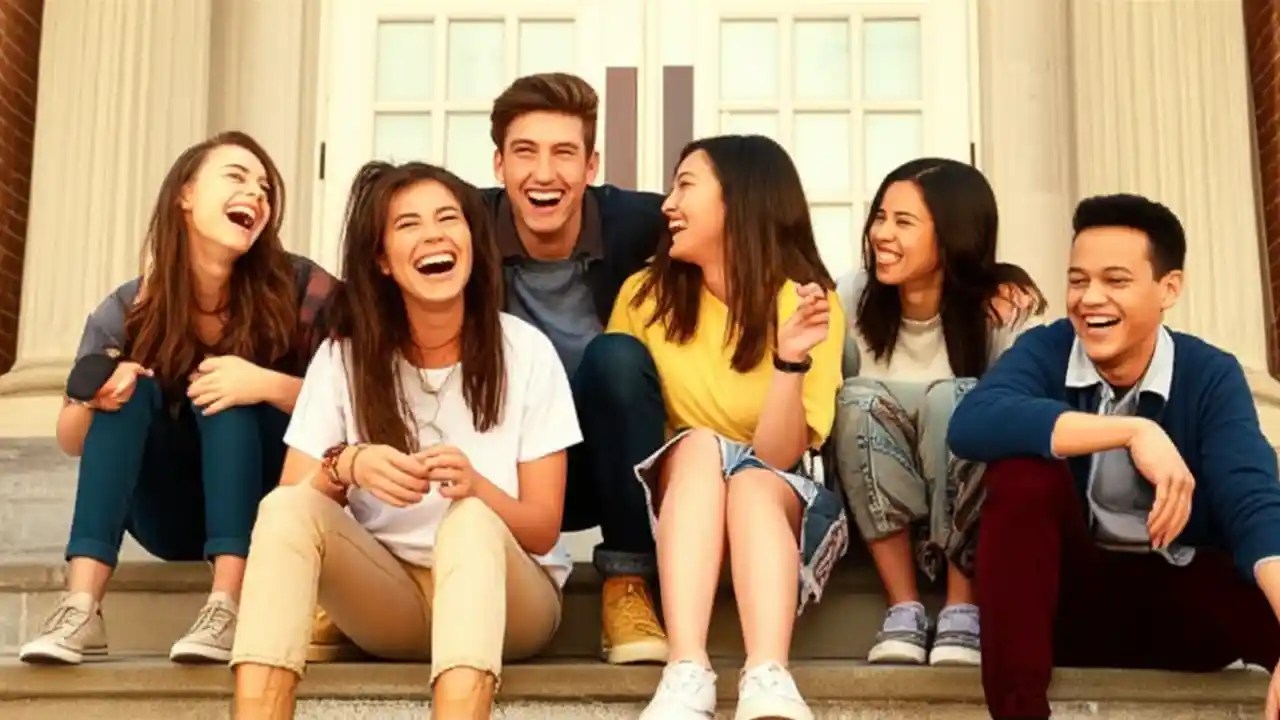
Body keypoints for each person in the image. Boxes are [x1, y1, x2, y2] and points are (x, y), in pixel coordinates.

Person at [231, 160, 580, 719]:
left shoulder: (527, 352)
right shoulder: (342, 359)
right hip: (391, 599)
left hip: (512, 601)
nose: (434, 234)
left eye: (449, 218)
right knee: (285, 508)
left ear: (472, 238)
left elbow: (541, 530)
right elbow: (292, 508)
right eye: (408, 224)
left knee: (468, 521)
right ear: (381, 260)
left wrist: (477, 489)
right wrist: (350, 465)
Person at [947, 194, 1280, 719]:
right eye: (1078, 280)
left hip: (1182, 608)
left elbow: (1252, 497)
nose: (1089, 298)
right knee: (1022, 474)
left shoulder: (1209, 374)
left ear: (1169, 288)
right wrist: (1130, 431)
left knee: (1266, 574)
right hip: (1066, 606)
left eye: (1116, 281)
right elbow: (972, 422)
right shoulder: (1047, 349)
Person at [17, 131, 335, 666]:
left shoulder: (303, 289)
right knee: (130, 388)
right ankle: (81, 607)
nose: (256, 194)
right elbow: (70, 441)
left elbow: (360, 407)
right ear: (185, 194)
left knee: (226, 391)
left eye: (265, 188)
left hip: (267, 505)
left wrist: (264, 384)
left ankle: (228, 604)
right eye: (237, 177)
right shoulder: (129, 307)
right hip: (168, 514)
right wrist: (96, 400)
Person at [608, 134, 848, 720]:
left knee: (750, 478)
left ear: (740, 200)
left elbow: (779, 456)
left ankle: (767, 673)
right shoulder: (643, 297)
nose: (667, 204)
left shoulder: (808, 302)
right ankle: (687, 668)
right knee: (695, 449)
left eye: (686, 185)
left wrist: (790, 360)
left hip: (770, 509)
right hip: (684, 514)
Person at [484, 72, 669, 663]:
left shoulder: (643, 225)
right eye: (525, 153)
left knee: (615, 356)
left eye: (564, 153)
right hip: (502, 465)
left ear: (592, 166)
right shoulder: (462, 224)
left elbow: (746, 232)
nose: (544, 174)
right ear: (498, 165)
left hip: (606, 460)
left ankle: (628, 582)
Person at [830, 158, 1045, 667]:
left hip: (968, 501)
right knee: (854, 399)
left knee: (960, 399)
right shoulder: (854, 296)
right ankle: (903, 607)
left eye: (903, 222)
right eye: (880, 217)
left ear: (952, 234)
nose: (881, 233)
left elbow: (1024, 415)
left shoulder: (1002, 308)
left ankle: (961, 608)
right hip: (883, 505)